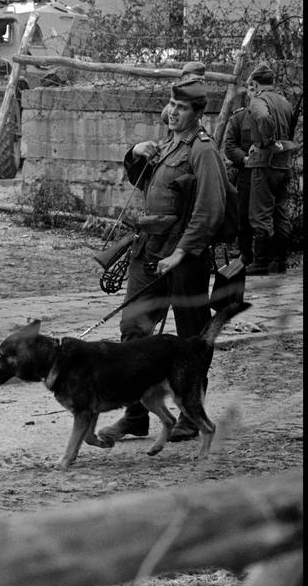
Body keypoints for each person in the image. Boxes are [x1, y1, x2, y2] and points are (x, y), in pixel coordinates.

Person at [98, 79, 227, 445]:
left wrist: (181, 253)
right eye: (171, 104)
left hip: (184, 257)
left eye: (182, 107)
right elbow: (147, 186)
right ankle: (136, 415)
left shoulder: (203, 151)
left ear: (199, 113)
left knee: (191, 342)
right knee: (133, 332)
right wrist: (136, 154)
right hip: (149, 253)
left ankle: (190, 415)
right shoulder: (167, 143)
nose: (173, 112)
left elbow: (210, 209)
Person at [242, 63, 294, 275]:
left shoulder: (258, 100)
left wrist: (268, 141)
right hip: (284, 163)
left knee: (260, 213)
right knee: (281, 212)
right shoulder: (285, 102)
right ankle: (280, 260)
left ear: (255, 82)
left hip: (264, 163)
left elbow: (263, 117)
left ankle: (261, 262)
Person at [223, 93, 254, 265]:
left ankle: (271, 257)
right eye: (251, 88)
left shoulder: (275, 114)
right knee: (244, 215)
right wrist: (244, 159)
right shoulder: (239, 118)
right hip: (247, 172)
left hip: (269, 172)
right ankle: (246, 255)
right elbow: (229, 145)